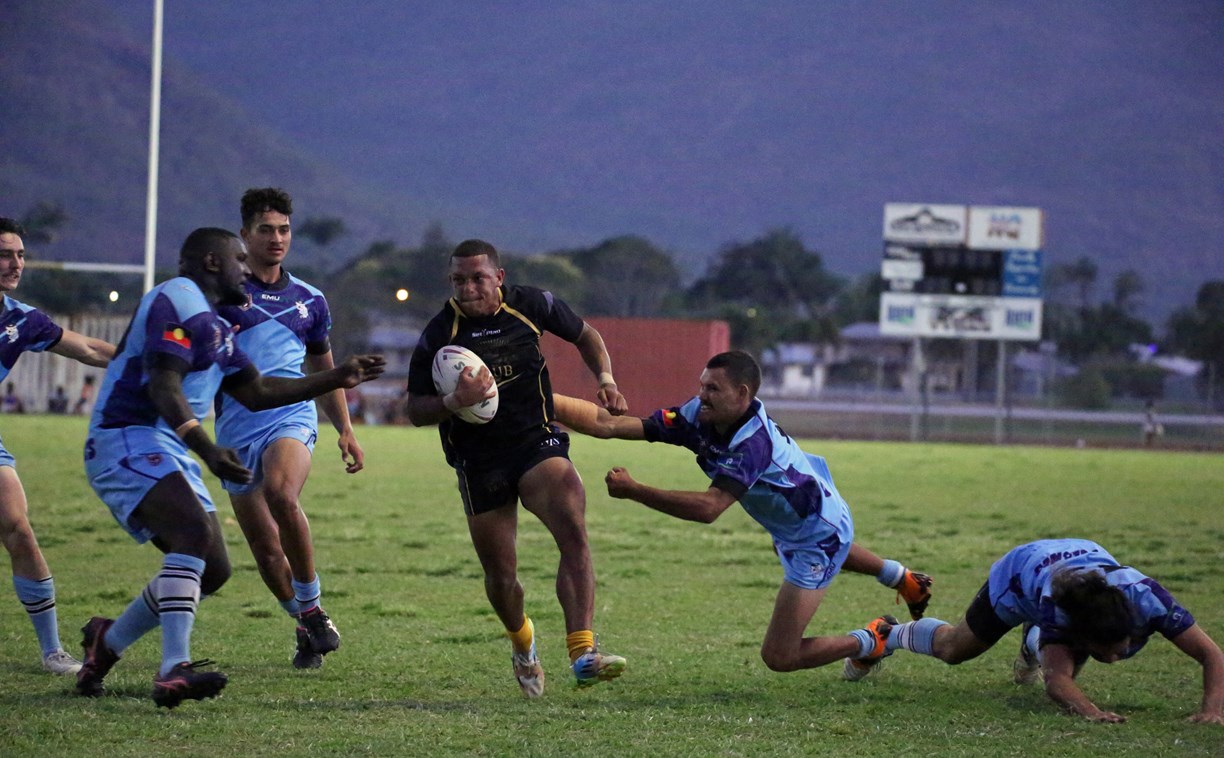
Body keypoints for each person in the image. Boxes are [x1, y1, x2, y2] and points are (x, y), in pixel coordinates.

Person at [76, 227, 384, 708]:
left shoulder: (219, 329)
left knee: (214, 570)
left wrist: (335, 377)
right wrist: (207, 448)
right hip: (126, 437)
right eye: (239, 259)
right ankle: (173, 668)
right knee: (194, 536)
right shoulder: (177, 299)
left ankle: (106, 643)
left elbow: (258, 391)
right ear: (212, 263)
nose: (246, 269)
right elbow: (162, 384)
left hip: (165, 448)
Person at [551, 350, 933, 679]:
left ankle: (873, 640)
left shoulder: (752, 442)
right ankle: (902, 578)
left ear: (742, 393)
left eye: (713, 389)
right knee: (799, 541)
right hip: (806, 514)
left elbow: (709, 509)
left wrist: (636, 491)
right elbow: (608, 423)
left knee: (779, 656)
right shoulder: (699, 414)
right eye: (702, 386)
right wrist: (540, 401)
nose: (702, 396)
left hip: (818, 534)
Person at [405, 238, 628, 698]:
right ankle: (523, 644)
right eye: (459, 280)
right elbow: (415, 409)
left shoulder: (532, 305)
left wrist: (605, 379)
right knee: (502, 577)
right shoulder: (440, 333)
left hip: (534, 441)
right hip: (479, 460)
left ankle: (583, 653)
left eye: (478, 279)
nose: (468, 289)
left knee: (573, 528)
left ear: (499, 277)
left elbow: (586, 335)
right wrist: (455, 400)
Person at [214, 188, 362, 669]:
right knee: (265, 551)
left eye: (284, 229)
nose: (277, 238)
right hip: (235, 426)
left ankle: (313, 608)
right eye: (266, 230)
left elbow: (324, 367)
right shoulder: (222, 296)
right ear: (245, 234)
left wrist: (344, 427)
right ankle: (303, 625)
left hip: (291, 415)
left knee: (282, 493)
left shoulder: (310, 299)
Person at [863, 538, 1224, 724]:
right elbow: (1057, 682)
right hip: (1020, 574)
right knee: (954, 650)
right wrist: (1092, 712)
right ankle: (887, 633)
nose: (1115, 660)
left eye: (1120, 648)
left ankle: (1032, 642)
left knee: (1066, 662)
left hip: (1075, 563)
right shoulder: (1061, 610)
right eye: (1107, 651)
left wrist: (1212, 710)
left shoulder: (1151, 600)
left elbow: (1212, 655)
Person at [0, 217, 115, 675]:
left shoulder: (20, 319)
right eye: (4, 255)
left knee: (18, 528)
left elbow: (87, 348)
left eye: (20, 255)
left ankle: (52, 651)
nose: (15, 264)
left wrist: (144, 362)